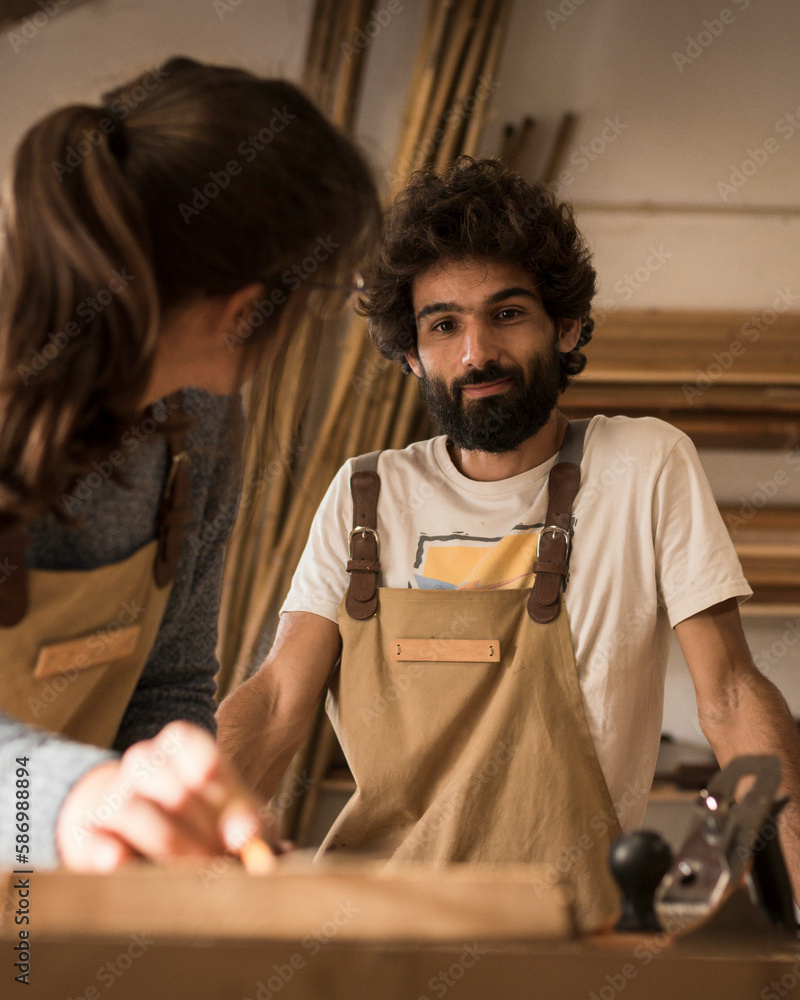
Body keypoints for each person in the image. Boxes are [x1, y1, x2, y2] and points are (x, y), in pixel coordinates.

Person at [217, 157, 800, 929]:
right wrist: (176, 839)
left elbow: (729, 696)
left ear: (566, 325)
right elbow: (279, 701)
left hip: (573, 936)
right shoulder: (367, 494)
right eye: (444, 325)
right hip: (370, 933)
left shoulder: (644, 466)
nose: (476, 354)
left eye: (507, 314)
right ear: (410, 354)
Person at [0, 56, 380, 872]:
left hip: (51, 895)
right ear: (245, 312)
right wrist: (76, 797)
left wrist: (198, 835)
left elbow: (166, 685)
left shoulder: (199, 424)